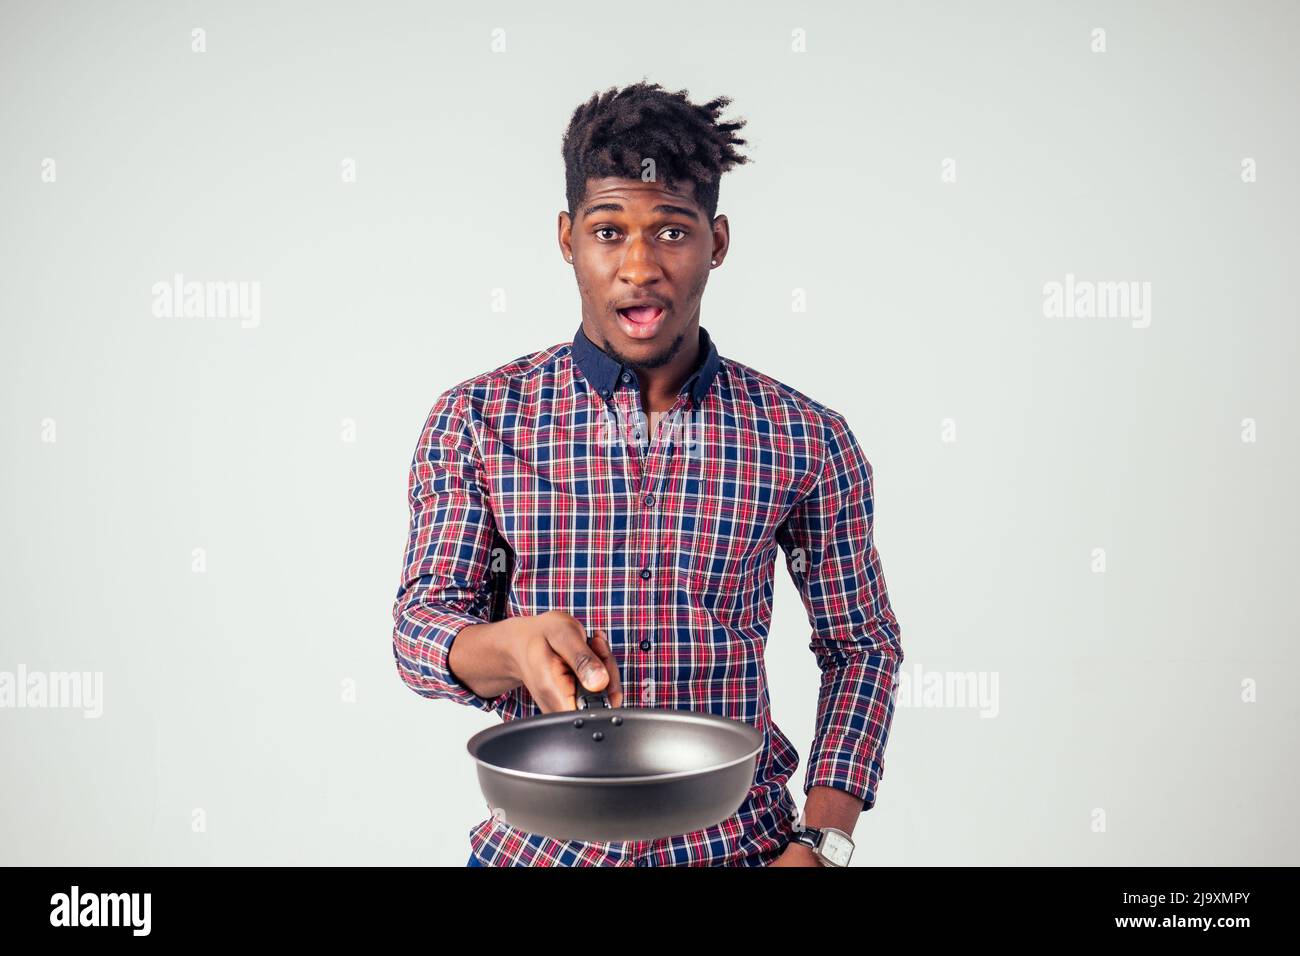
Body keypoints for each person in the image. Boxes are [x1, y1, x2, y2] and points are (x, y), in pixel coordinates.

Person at [392, 80, 904, 867]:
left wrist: (823, 842)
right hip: (537, 853)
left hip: (743, 848)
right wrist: (514, 647)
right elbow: (420, 630)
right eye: (608, 231)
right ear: (567, 238)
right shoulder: (478, 420)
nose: (639, 265)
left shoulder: (806, 437)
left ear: (718, 240)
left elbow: (860, 646)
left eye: (671, 230)